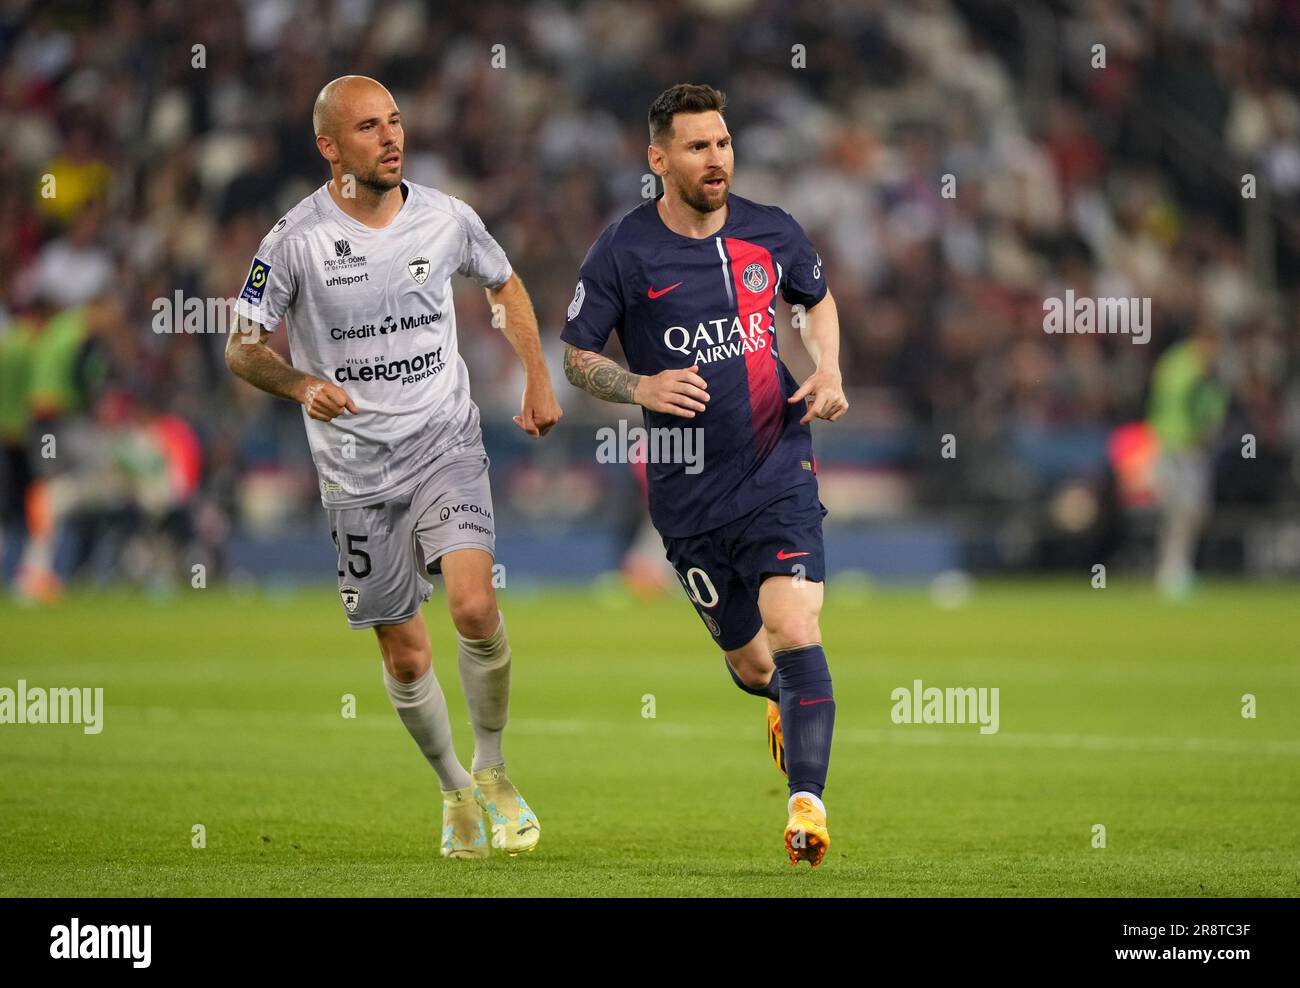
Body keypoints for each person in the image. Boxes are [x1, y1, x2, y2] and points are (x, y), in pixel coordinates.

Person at [225, 76, 562, 859]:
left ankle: (494, 769)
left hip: (445, 441)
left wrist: (537, 377)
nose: (391, 138)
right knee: (405, 653)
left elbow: (503, 283)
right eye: (370, 127)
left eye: (396, 122)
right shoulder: (293, 241)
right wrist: (301, 382)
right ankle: (452, 789)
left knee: (475, 607)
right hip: (354, 474)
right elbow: (241, 345)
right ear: (329, 146)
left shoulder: (445, 217)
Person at [561, 83, 848, 867]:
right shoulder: (623, 250)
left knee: (795, 628)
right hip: (686, 494)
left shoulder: (773, 230)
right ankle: (779, 706)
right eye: (696, 146)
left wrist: (827, 369)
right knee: (755, 664)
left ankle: (807, 806)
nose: (715, 159)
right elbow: (578, 356)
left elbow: (815, 301)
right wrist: (640, 387)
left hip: (778, 466)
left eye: (722, 143)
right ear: (658, 160)